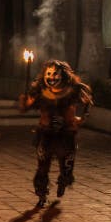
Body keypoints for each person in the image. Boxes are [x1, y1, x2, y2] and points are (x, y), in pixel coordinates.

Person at [18, 59, 93, 208]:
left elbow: (88, 104)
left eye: (55, 74)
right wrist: (24, 101)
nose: (51, 77)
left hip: (66, 135)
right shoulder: (40, 90)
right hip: (46, 134)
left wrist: (81, 119)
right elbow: (25, 107)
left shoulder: (74, 90)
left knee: (66, 167)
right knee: (42, 167)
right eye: (48, 74)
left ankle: (63, 181)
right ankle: (42, 194)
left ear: (63, 75)